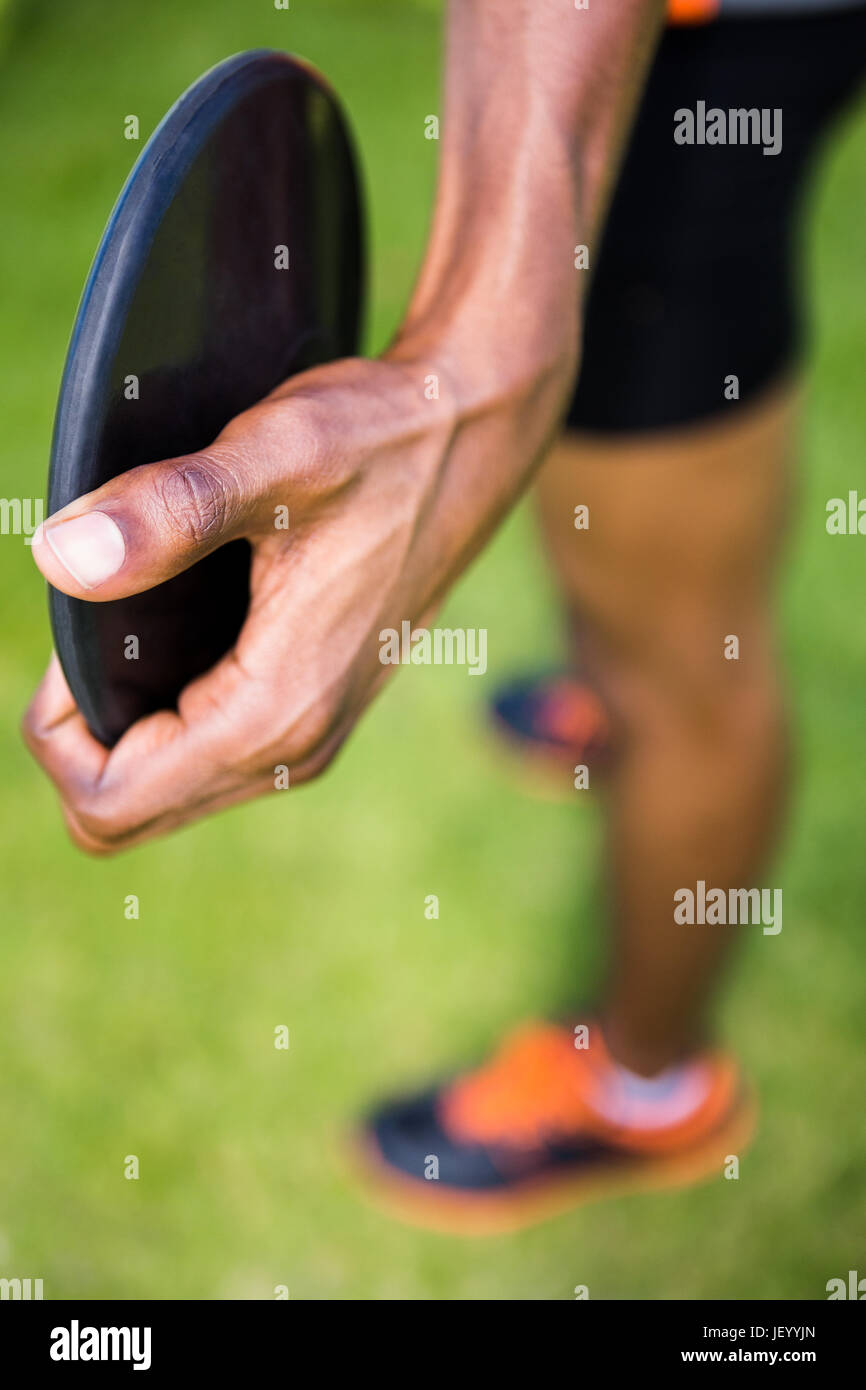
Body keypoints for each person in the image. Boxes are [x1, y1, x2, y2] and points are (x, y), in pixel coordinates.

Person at [24, 0, 866, 1232]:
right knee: (588, 475)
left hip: (721, 37)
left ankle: (647, 1086)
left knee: (676, 642)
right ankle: (604, 704)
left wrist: (478, 361)